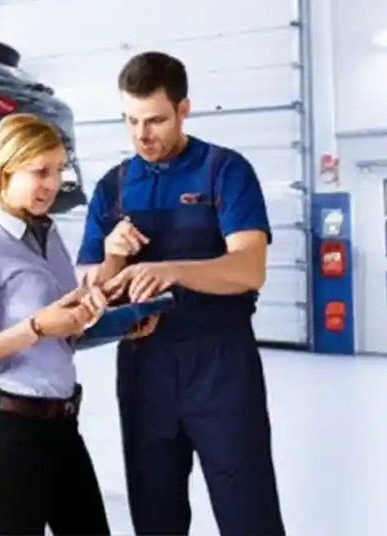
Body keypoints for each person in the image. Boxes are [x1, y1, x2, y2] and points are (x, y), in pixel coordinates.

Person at [76, 51, 286, 536]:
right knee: (155, 519)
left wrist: (171, 270)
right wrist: (111, 255)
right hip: (144, 371)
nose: (141, 135)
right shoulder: (114, 188)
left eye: (155, 120)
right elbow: (92, 292)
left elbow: (250, 268)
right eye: (131, 120)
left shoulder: (224, 171)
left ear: (183, 109)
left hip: (221, 371)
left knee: (248, 513)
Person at [0, 112, 113, 536]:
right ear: (5, 171)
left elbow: (63, 333)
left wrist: (108, 324)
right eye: (40, 171)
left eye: (57, 170)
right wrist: (36, 327)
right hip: (12, 436)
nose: (53, 184)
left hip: (63, 427)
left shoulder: (49, 235)